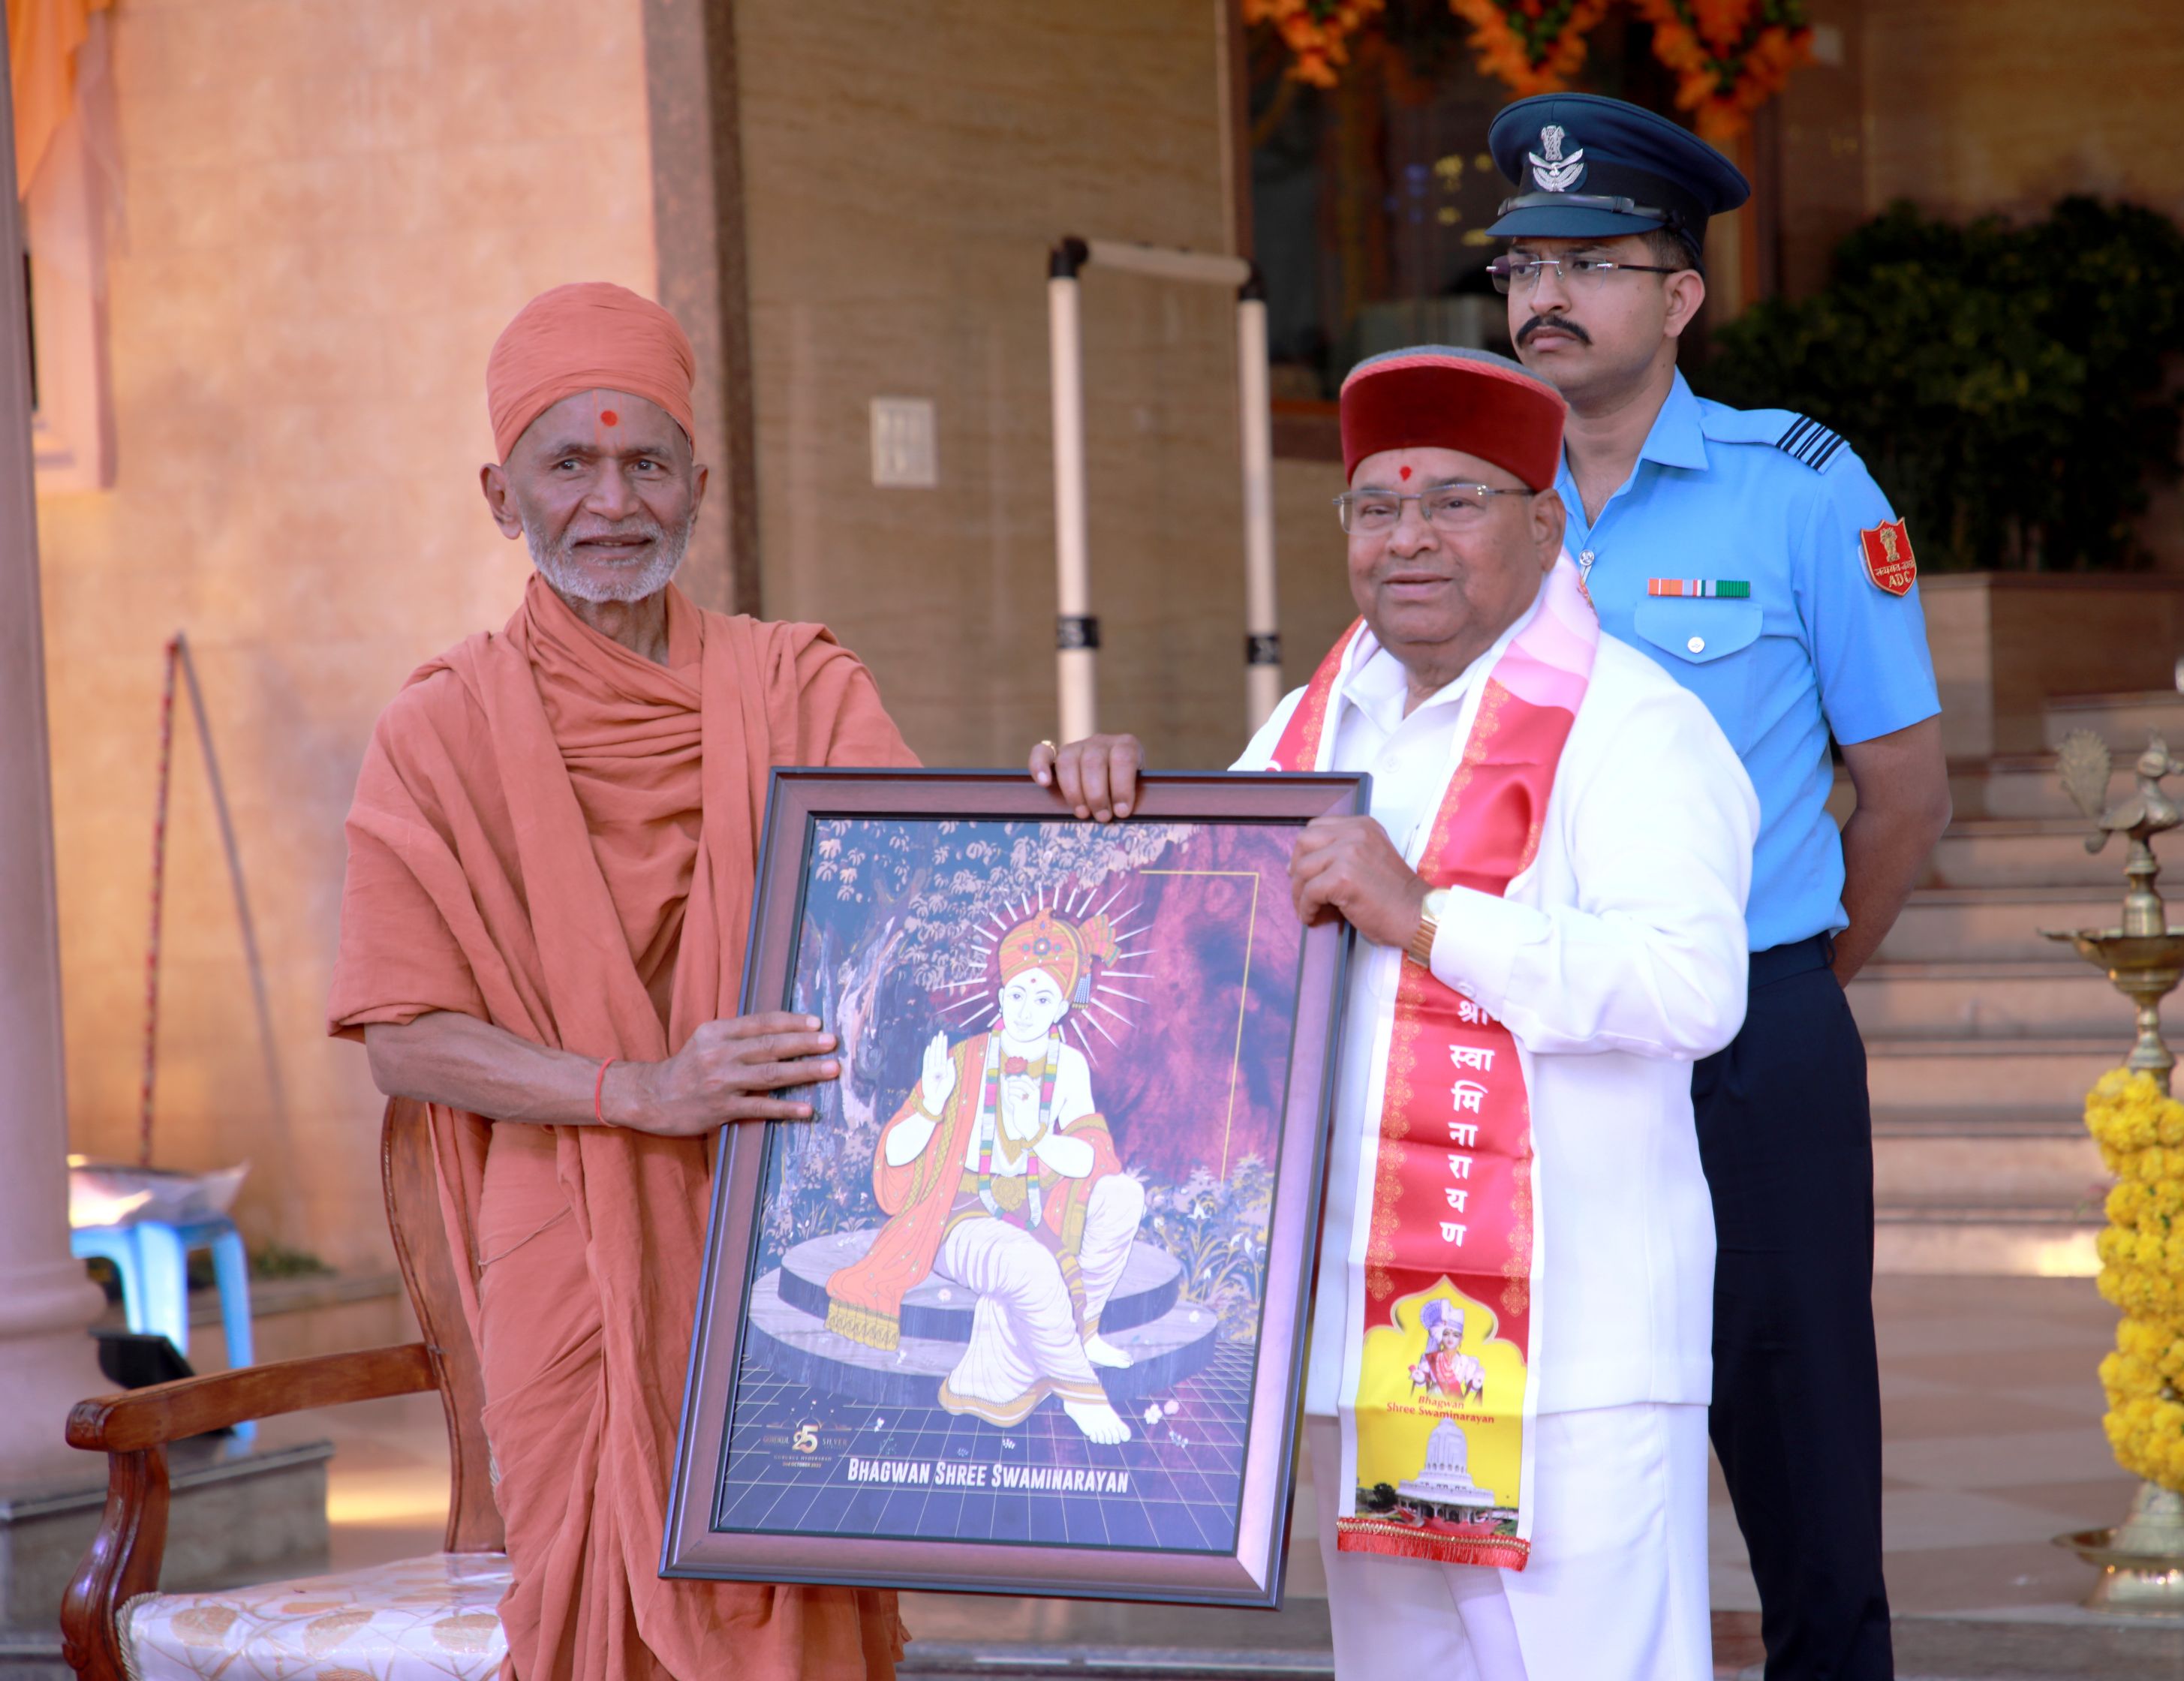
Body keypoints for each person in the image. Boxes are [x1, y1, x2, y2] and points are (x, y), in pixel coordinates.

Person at [1033, 344, 1756, 1680]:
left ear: (1546, 522)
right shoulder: (1313, 726)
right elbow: (1189, 948)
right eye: (1376, 507)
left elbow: (1694, 989)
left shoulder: (1636, 729)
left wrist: (1432, 918)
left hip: (1571, 1367)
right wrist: (1101, 814)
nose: (1408, 538)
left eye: (1456, 502)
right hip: (1358, 1357)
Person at [327, 281, 911, 1681]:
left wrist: (1080, 801)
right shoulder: (441, 729)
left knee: (797, 1590)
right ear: (499, 491)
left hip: (791, 1213)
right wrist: (639, 1093)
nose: (611, 501)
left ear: (699, 484)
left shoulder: (802, 687)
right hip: (564, 1233)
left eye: (645, 462)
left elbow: (929, 913)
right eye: (568, 464)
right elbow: (405, 1036)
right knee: (596, 1601)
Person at [1481, 92, 1952, 1681]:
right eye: (1520, 266)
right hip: (1527, 1034)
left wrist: (1795, 974)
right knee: (1551, 1436)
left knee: (1803, 1449)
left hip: (1751, 1035)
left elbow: (1901, 794)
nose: (1545, 296)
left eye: (1591, 262)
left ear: (1679, 296)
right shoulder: (1469, 509)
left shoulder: (1803, 489)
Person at [823, 906, 1149, 1443]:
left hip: (1044, 1208)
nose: (1025, 1009)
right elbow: (896, 1170)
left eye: (1042, 998)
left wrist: (1038, 1137)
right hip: (961, 1217)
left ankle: (1081, 1330)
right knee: (1024, 1262)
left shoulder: (1068, 1067)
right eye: (1017, 993)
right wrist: (929, 1105)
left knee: (1124, 1196)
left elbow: (1094, 1159)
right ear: (999, 996)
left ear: (1064, 1005)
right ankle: (1080, 1394)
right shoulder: (964, 1058)